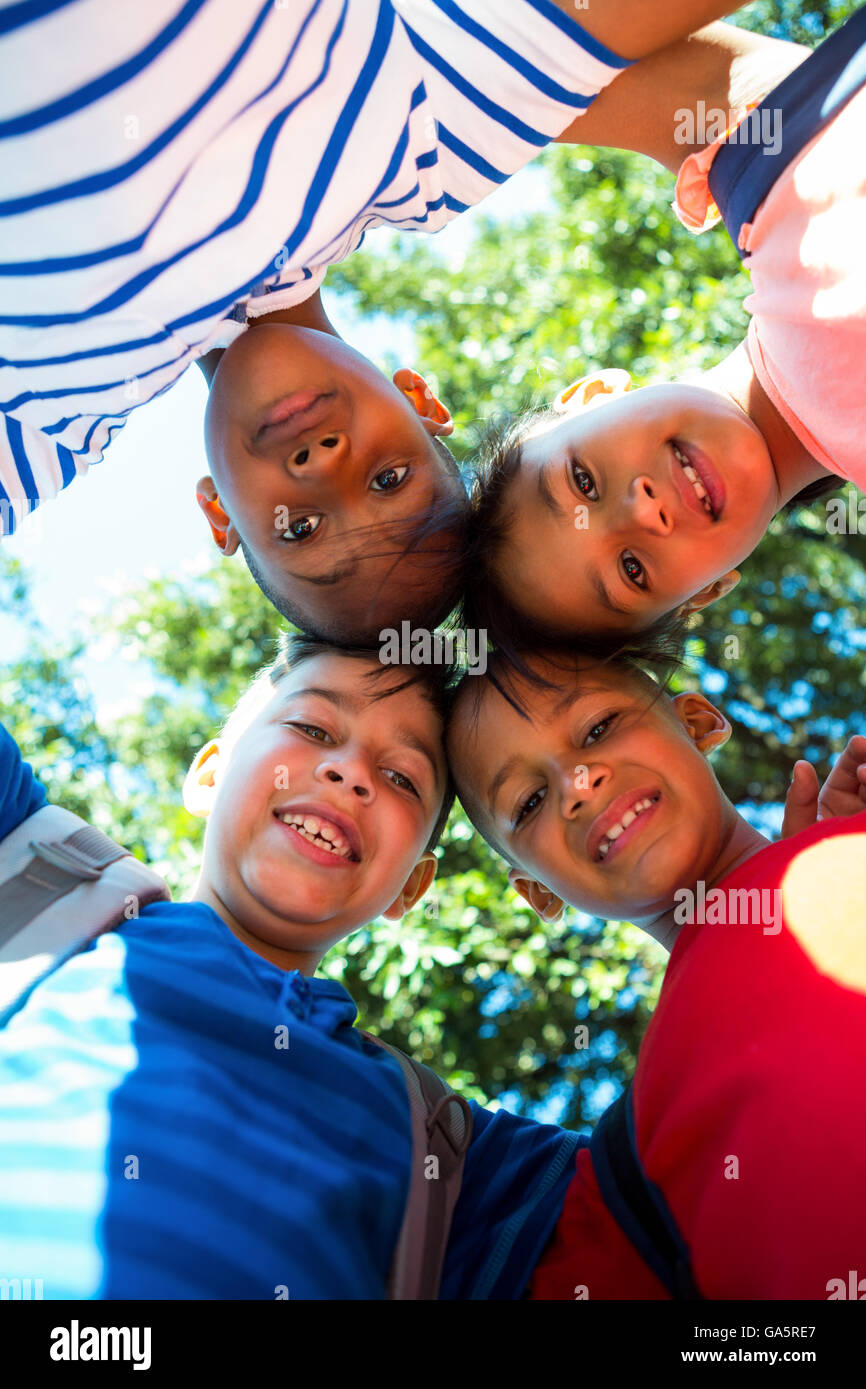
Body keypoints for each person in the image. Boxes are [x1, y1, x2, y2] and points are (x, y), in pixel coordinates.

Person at [0, 0, 802, 638]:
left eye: (301, 528)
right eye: (389, 479)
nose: (322, 462)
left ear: (221, 513)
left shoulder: (49, 420)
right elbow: (721, 85)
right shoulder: (416, 146)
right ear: (420, 402)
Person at [0, 637, 580, 1299]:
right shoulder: (38, 872)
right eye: (311, 727)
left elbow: (681, 1210)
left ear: (409, 889)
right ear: (210, 773)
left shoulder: (450, 1153)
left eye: (402, 779)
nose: (353, 772)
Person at [446, 648, 866, 1296]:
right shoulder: (626, 1172)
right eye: (529, 801)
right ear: (540, 894)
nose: (578, 783)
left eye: (597, 727)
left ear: (696, 721)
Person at [462, 6, 866, 652]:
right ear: (708, 592)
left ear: (589, 395)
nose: (643, 511)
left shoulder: (752, 148)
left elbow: (479, 64)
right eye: (631, 570)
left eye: (583, 482)